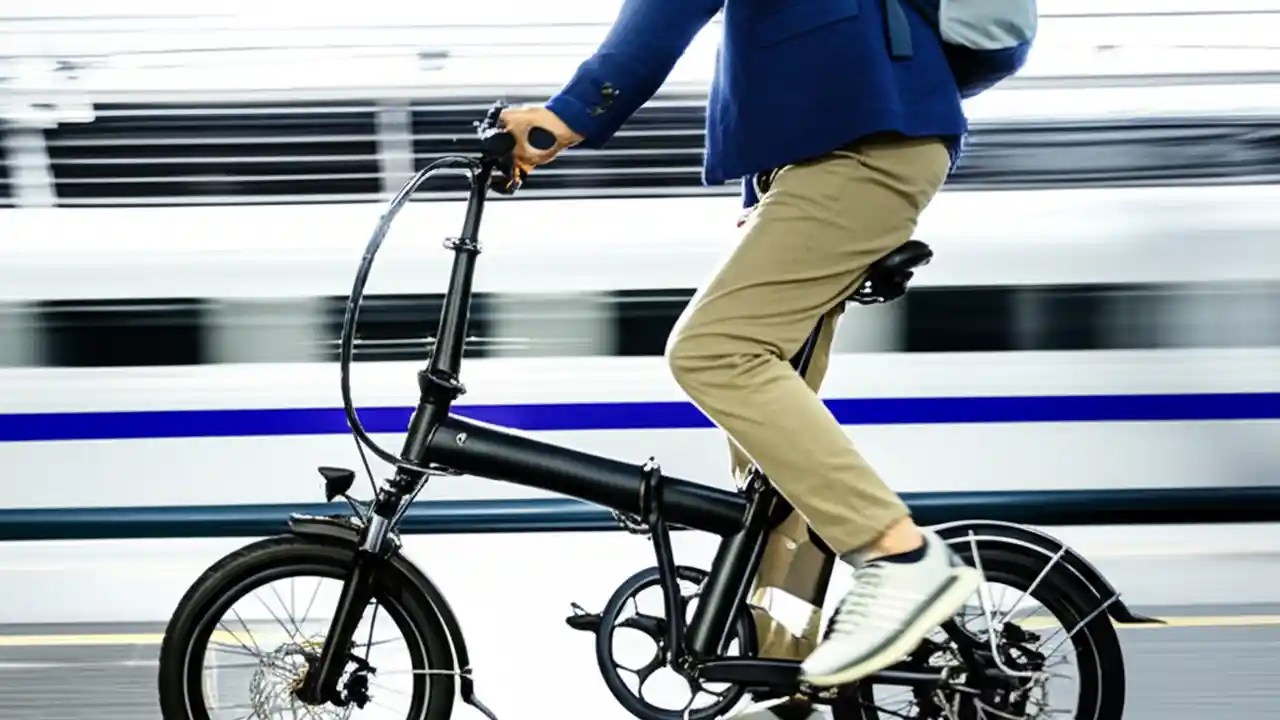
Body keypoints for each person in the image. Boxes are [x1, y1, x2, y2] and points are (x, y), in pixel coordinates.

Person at [500, 0, 1033, 694]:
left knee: (715, 352)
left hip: (863, 148)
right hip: (836, 151)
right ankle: (785, 670)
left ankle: (899, 556)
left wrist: (570, 115)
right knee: (771, 458)